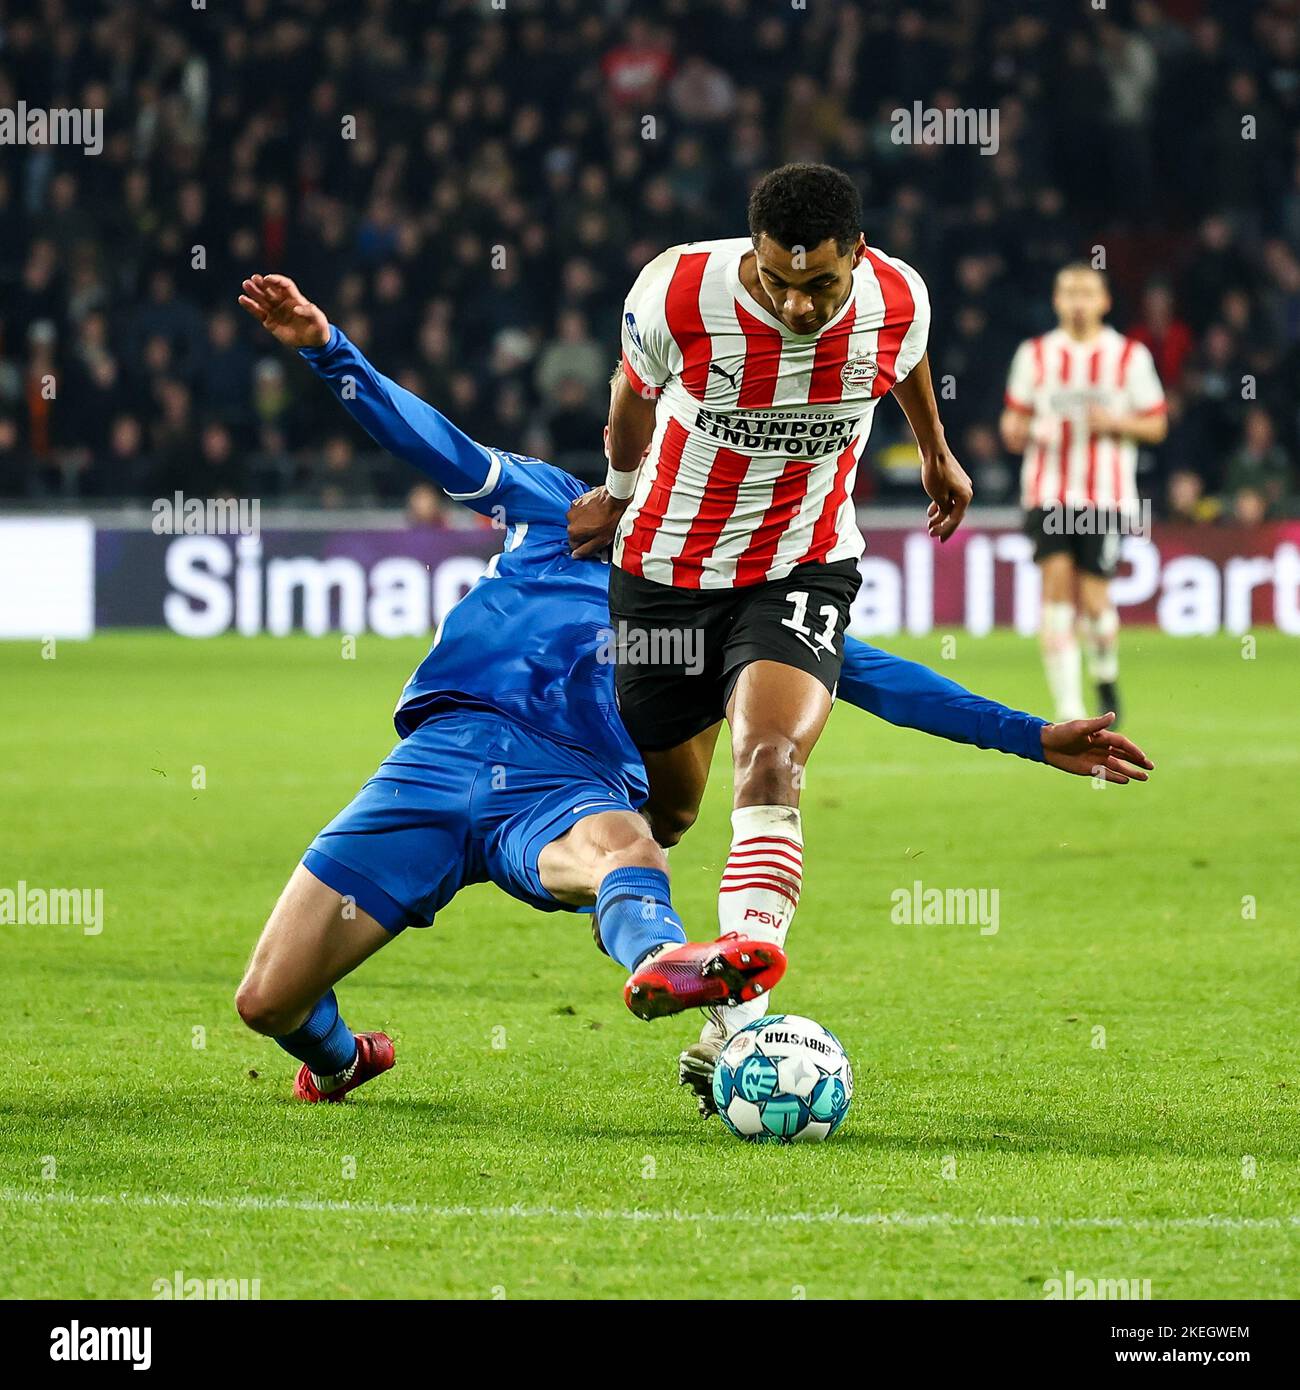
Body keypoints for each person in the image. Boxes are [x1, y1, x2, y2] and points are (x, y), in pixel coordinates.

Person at [235, 274, 1153, 1111]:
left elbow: (869, 674)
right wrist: (324, 345)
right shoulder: (556, 508)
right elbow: (425, 437)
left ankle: (674, 964)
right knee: (266, 1001)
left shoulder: (721, 585)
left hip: (567, 789)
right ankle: (344, 1057)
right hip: (437, 761)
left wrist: (1029, 735)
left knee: (627, 845)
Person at [566, 162, 974, 1078]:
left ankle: (735, 1002)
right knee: (669, 810)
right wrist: (618, 494)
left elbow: (904, 364)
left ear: (857, 260)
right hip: (667, 570)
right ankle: (614, 885)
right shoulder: (675, 291)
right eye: (776, 281)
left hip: (803, 561)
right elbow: (632, 395)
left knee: (772, 755)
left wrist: (938, 454)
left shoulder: (899, 297)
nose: (796, 305)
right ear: (749, 254)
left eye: (820, 285)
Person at [1000, 263, 1167, 726]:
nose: (1077, 301)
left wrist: (1115, 423)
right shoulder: (1034, 355)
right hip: (1048, 492)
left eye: (1086, 292)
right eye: (1068, 292)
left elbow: (1156, 423)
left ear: (1104, 301)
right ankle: (1069, 707)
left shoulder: (1128, 356)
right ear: (1056, 301)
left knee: (1095, 599)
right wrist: (1033, 428)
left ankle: (1106, 675)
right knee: (1055, 588)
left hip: (1107, 498)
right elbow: (1011, 427)